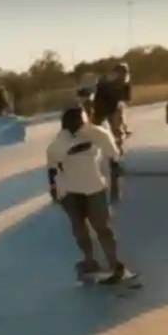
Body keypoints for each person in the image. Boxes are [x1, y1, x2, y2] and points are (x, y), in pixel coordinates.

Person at [47, 107, 129, 283]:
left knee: (102, 227)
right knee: (80, 229)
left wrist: (116, 168)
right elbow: (52, 168)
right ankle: (89, 261)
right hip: (69, 191)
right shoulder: (58, 144)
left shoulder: (96, 134)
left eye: (80, 122)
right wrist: (54, 189)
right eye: (74, 123)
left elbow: (112, 153)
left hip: (93, 187)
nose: (79, 127)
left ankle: (114, 263)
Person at [92, 63, 133, 149]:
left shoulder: (125, 82)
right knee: (99, 129)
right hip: (102, 107)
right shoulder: (105, 82)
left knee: (119, 112)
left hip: (113, 107)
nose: (123, 75)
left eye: (125, 73)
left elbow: (126, 98)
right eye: (121, 73)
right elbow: (98, 95)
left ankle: (118, 141)